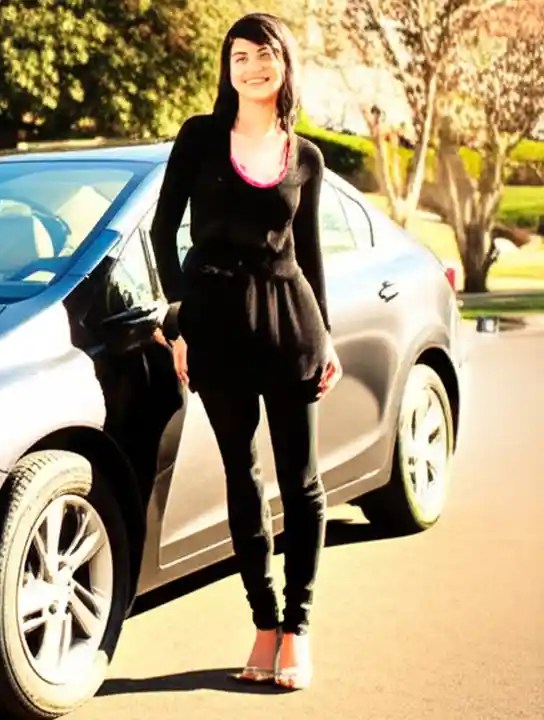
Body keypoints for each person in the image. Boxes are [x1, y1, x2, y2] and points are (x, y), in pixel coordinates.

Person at [148, 12, 341, 691]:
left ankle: (300, 627)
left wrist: (328, 337)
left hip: (290, 328)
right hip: (216, 327)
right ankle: (263, 622)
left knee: (302, 484)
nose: (252, 67)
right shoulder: (200, 138)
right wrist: (178, 322)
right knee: (242, 478)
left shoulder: (307, 157)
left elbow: (308, 256)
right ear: (226, 69)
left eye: (264, 55)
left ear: (284, 64)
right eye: (239, 57)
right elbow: (161, 230)